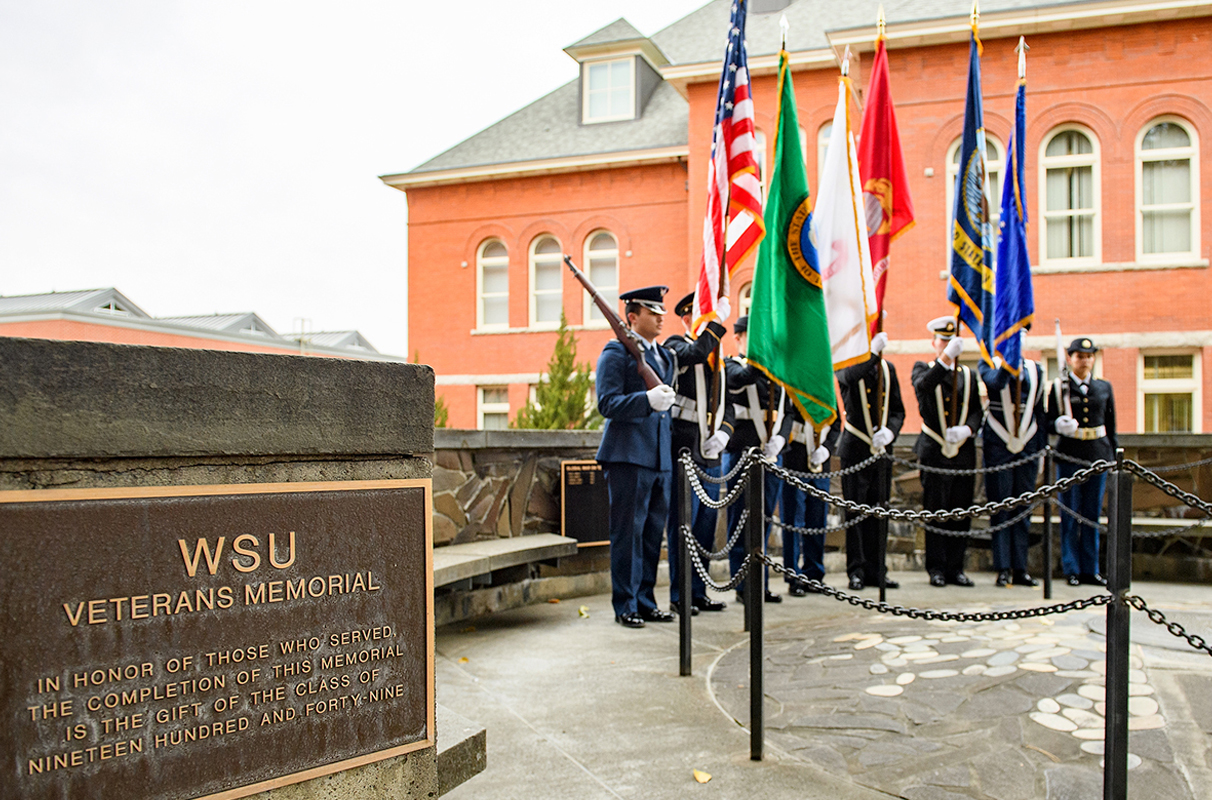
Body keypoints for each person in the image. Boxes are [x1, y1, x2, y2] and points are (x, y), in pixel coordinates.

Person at [595, 286, 678, 628]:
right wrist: (646, 401)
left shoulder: (665, 357)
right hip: (628, 456)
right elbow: (607, 403)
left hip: (659, 458)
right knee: (628, 533)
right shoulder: (617, 352)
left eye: (662, 311)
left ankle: (645, 600)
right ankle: (625, 604)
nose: (661, 317)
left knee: (651, 534)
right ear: (632, 316)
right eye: (652, 311)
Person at [664, 291, 733, 615]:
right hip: (685, 447)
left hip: (711, 453)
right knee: (684, 525)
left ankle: (699, 591)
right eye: (697, 315)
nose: (701, 320)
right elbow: (695, 352)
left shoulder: (717, 358)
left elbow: (728, 408)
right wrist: (717, 325)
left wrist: (723, 434)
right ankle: (680, 594)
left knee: (705, 526)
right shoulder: (676, 346)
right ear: (686, 318)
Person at [724, 315, 792, 603]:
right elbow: (740, 379)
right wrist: (762, 356)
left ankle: (760, 583)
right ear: (738, 338)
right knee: (740, 523)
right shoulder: (731, 365)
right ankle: (742, 586)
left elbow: (788, 410)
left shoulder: (775, 371)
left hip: (770, 455)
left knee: (763, 522)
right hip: (742, 455)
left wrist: (781, 438)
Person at [911, 317, 982, 588]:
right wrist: (944, 361)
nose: (947, 345)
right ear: (934, 343)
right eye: (942, 340)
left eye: (951, 341)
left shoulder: (969, 375)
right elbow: (924, 387)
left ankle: (956, 567)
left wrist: (968, 429)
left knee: (961, 511)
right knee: (936, 510)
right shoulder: (923, 369)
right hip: (934, 451)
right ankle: (936, 568)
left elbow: (977, 410)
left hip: (962, 452)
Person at [1045, 337, 1117, 587]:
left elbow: (1110, 426)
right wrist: (1057, 425)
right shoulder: (1059, 388)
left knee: (1091, 515)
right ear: (1070, 359)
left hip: (1097, 455)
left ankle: (1090, 568)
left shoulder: (1103, 387)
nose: (1084, 360)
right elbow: (1046, 421)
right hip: (1069, 455)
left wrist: (1113, 456)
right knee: (1069, 514)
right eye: (1079, 356)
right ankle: (1071, 568)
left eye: (1088, 356)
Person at [836, 331, 905, 591]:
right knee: (855, 511)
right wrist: (872, 355)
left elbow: (898, 409)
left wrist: (890, 431)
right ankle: (856, 570)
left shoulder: (888, 369)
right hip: (855, 448)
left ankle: (878, 570)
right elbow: (848, 379)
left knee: (880, 511)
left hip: (881, 451)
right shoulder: (847, 364)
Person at [980, 340, 1047, 588]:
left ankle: (1020, 567)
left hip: (1027, 446)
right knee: (1001, 508)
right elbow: (996, 383)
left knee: (1023, 509)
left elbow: (1040, 411)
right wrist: (1010, 363)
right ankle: (1003, 567)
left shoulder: (1036, 369)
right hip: (999, 445)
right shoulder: (989, 364)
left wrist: (1039, 451)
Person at [780, 405, 839, 594]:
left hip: (820, 462)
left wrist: (828, 448)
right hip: (795, 455)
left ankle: (814, 574)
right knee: (793, 521)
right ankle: (793, 576)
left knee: (817, 520)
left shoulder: (824, 385)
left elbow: (835, 422)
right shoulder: (794, 381)